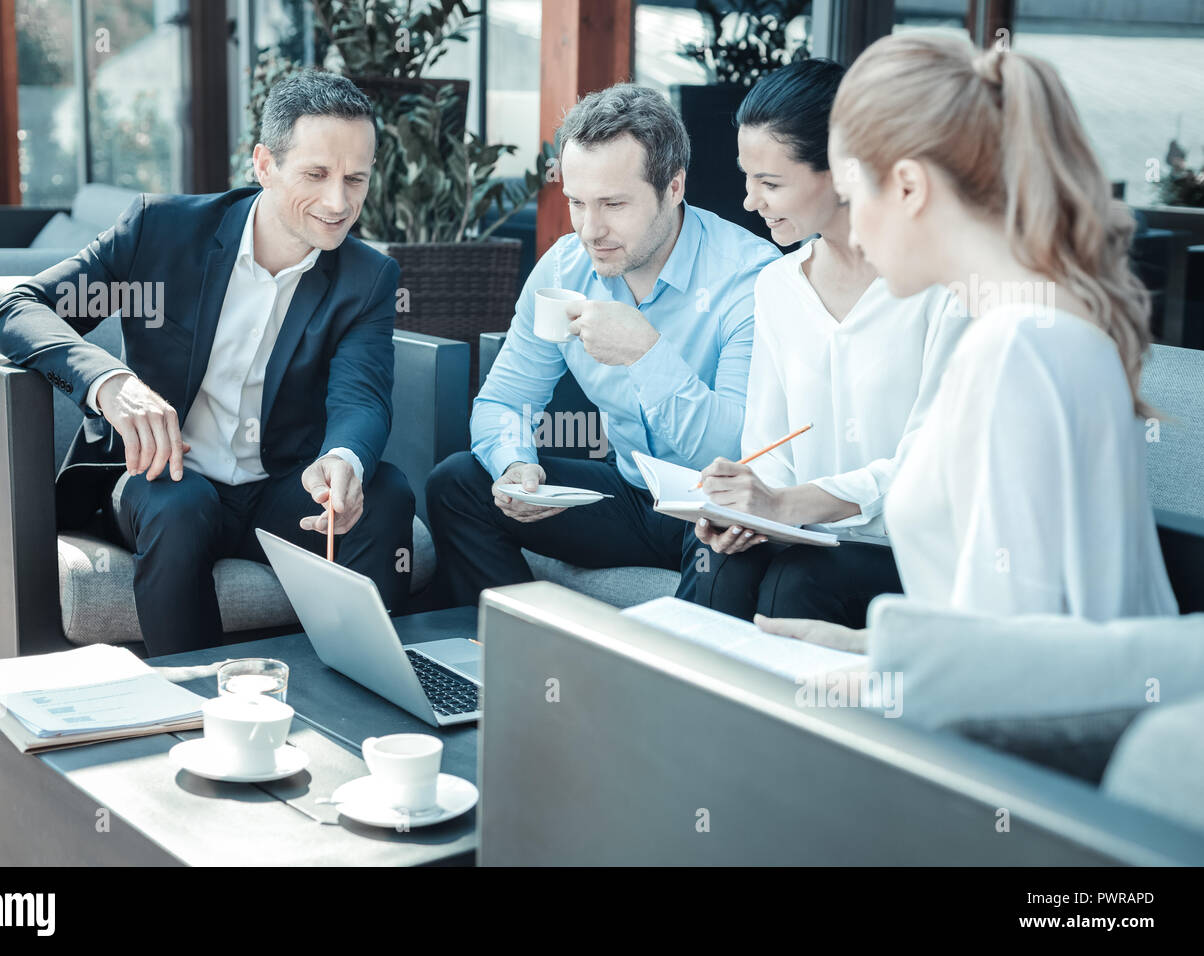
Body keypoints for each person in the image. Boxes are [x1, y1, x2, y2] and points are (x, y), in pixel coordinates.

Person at [759, 33, 1178, 652]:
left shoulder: (1013, 349)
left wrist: (871, 664)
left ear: (908, 187)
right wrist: (865, 649)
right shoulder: (1042, 325)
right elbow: (1017, 633)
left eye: (852, 196)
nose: (851, 226)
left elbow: (1016, 663)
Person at [0, 71, 416, 655]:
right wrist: (108, 383)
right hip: (161, 482)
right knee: (181, 504)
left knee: (386, 491)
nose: (338, 202)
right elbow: (18, 308)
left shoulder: (368, 277)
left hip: (277, 492)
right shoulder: (161, 232)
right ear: (264, 164)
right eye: (316, 174)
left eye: (355, 179)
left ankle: (359, 688)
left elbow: (361, 396)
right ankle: (195, 705)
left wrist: (343, 459)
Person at [426, 83, 778, 606]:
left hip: (713, 506)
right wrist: (515, 465)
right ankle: (527, 648)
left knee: (732, 538)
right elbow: (503, 401)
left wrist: (646, 354)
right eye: (576, 202)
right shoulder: (566, 267)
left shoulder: (751, 280)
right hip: (633, 497)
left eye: (614, 204)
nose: (591, 230)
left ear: (674, 187)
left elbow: (735, 454)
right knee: (456, 484)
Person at [688, 57, 970, 628]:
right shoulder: (777, 286)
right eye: (747, 177)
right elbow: (770, 451)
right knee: (717, 565)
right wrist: (747, 510)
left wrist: (787, 505)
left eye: (770, 183)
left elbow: (930, 469)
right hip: (811, 538)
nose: (749, 201)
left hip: (915, 550)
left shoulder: (944, 286)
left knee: (799, 584)